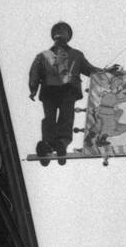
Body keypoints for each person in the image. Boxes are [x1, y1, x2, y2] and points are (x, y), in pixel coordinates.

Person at [28, 22, 119, 165]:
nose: (60, 33)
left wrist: (106, 72)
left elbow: (90, 70)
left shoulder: (76, 54)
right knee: (50, 118)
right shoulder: (43, 55)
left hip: (67, 90)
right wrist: (33, 88)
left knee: (66, 116)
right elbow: (35, 71)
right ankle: (48, 145)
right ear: (53, 36)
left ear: (68, 36)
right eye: (57, 30)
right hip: (50, 90)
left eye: (63, 30)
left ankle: (61, 143)